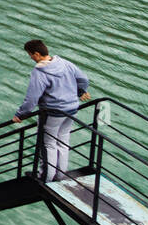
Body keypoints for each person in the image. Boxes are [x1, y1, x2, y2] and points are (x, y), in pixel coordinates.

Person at [11, 39, 91, 183]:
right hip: (72, 109)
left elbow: (32, 98)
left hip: (53, 112)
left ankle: (45, 177)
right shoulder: (64, 63)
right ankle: (60, 175)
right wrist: (80, 92)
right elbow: (83, 79)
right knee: (63, 141)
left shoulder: (39, 71)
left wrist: (20, 114)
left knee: (48, 144)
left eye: (29, 54)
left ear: (36, 54)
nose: (30, 57)